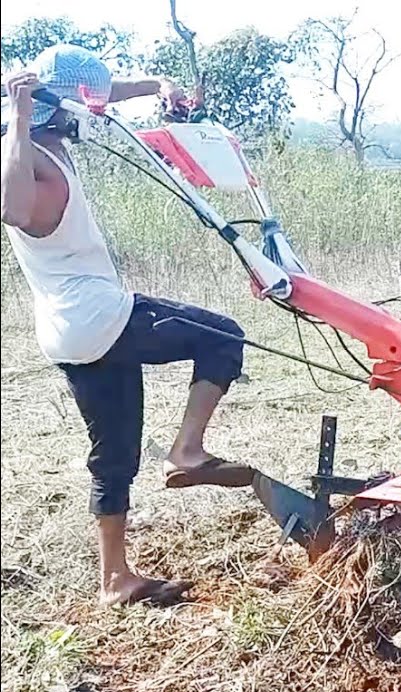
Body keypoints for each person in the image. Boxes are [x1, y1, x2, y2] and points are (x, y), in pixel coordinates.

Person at [2, 45, 257, 606]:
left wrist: (156, 85)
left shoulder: (39, 143)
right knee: (224, 336)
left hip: (71, 332)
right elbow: (15, 210)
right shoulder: (25, 157)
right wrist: (18, 123)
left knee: (113, 457)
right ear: (50, 107)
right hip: (101, 315)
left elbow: (98, 95)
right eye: (79, 104)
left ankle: (115, 578)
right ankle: (188, 451)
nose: (89, 114)